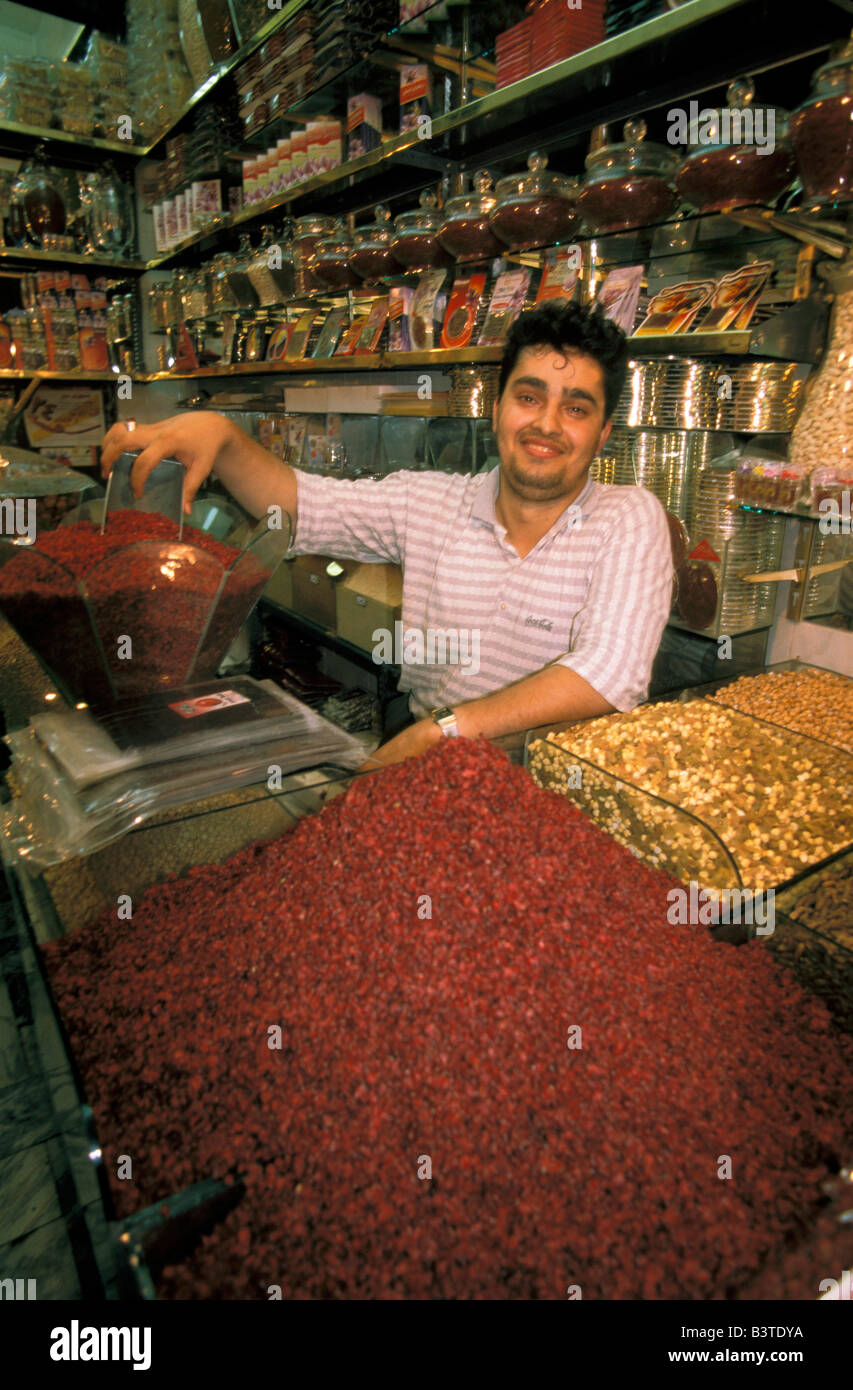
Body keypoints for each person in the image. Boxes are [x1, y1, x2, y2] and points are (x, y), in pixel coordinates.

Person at [101, 301, 673, 766]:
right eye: (529, 398)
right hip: (427, 757)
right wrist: (223, 439)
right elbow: (302, 505)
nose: (547, 424)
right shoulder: (427, 502)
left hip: (551, 778)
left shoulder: (627, 519)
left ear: (602, 435)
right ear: (497, 410)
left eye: (576, 408)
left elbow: (609, 675)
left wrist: (444, 734)